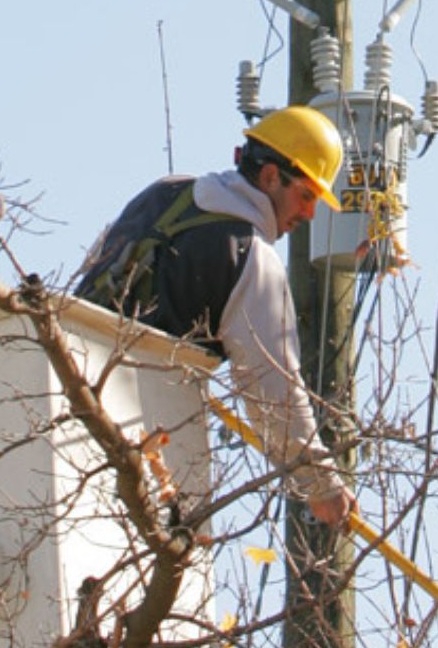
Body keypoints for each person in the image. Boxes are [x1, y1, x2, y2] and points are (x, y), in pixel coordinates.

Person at [75, 106, 355, 528]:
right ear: (270, 177)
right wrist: (321, 485)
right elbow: (273, 389)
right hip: (139, 438)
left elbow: (94, 268)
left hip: (67, 390)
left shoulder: (165, 192)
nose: (310, 214)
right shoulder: (252, 257)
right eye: (307, 195)